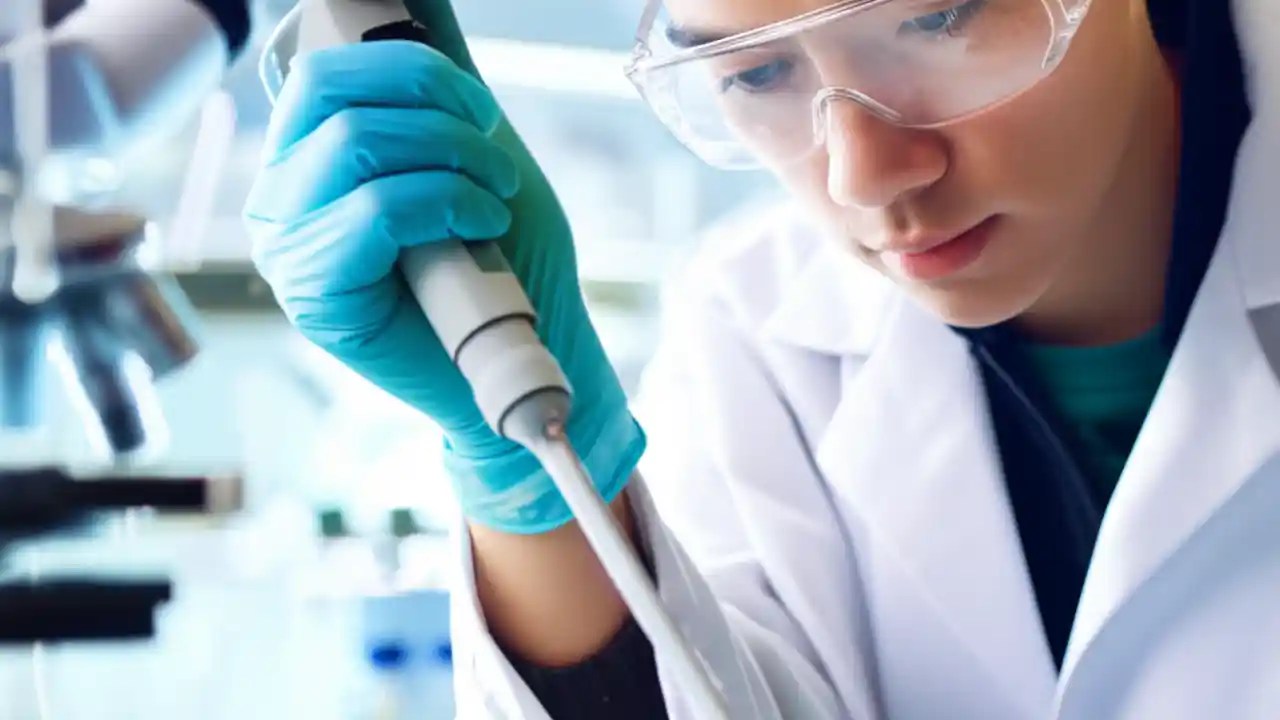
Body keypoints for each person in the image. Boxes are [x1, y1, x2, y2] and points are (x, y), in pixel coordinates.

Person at [244, 0, 1280, 716]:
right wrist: (527, 475)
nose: (865, 175)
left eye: (936, 19)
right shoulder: (750, 333)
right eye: (754, 73)